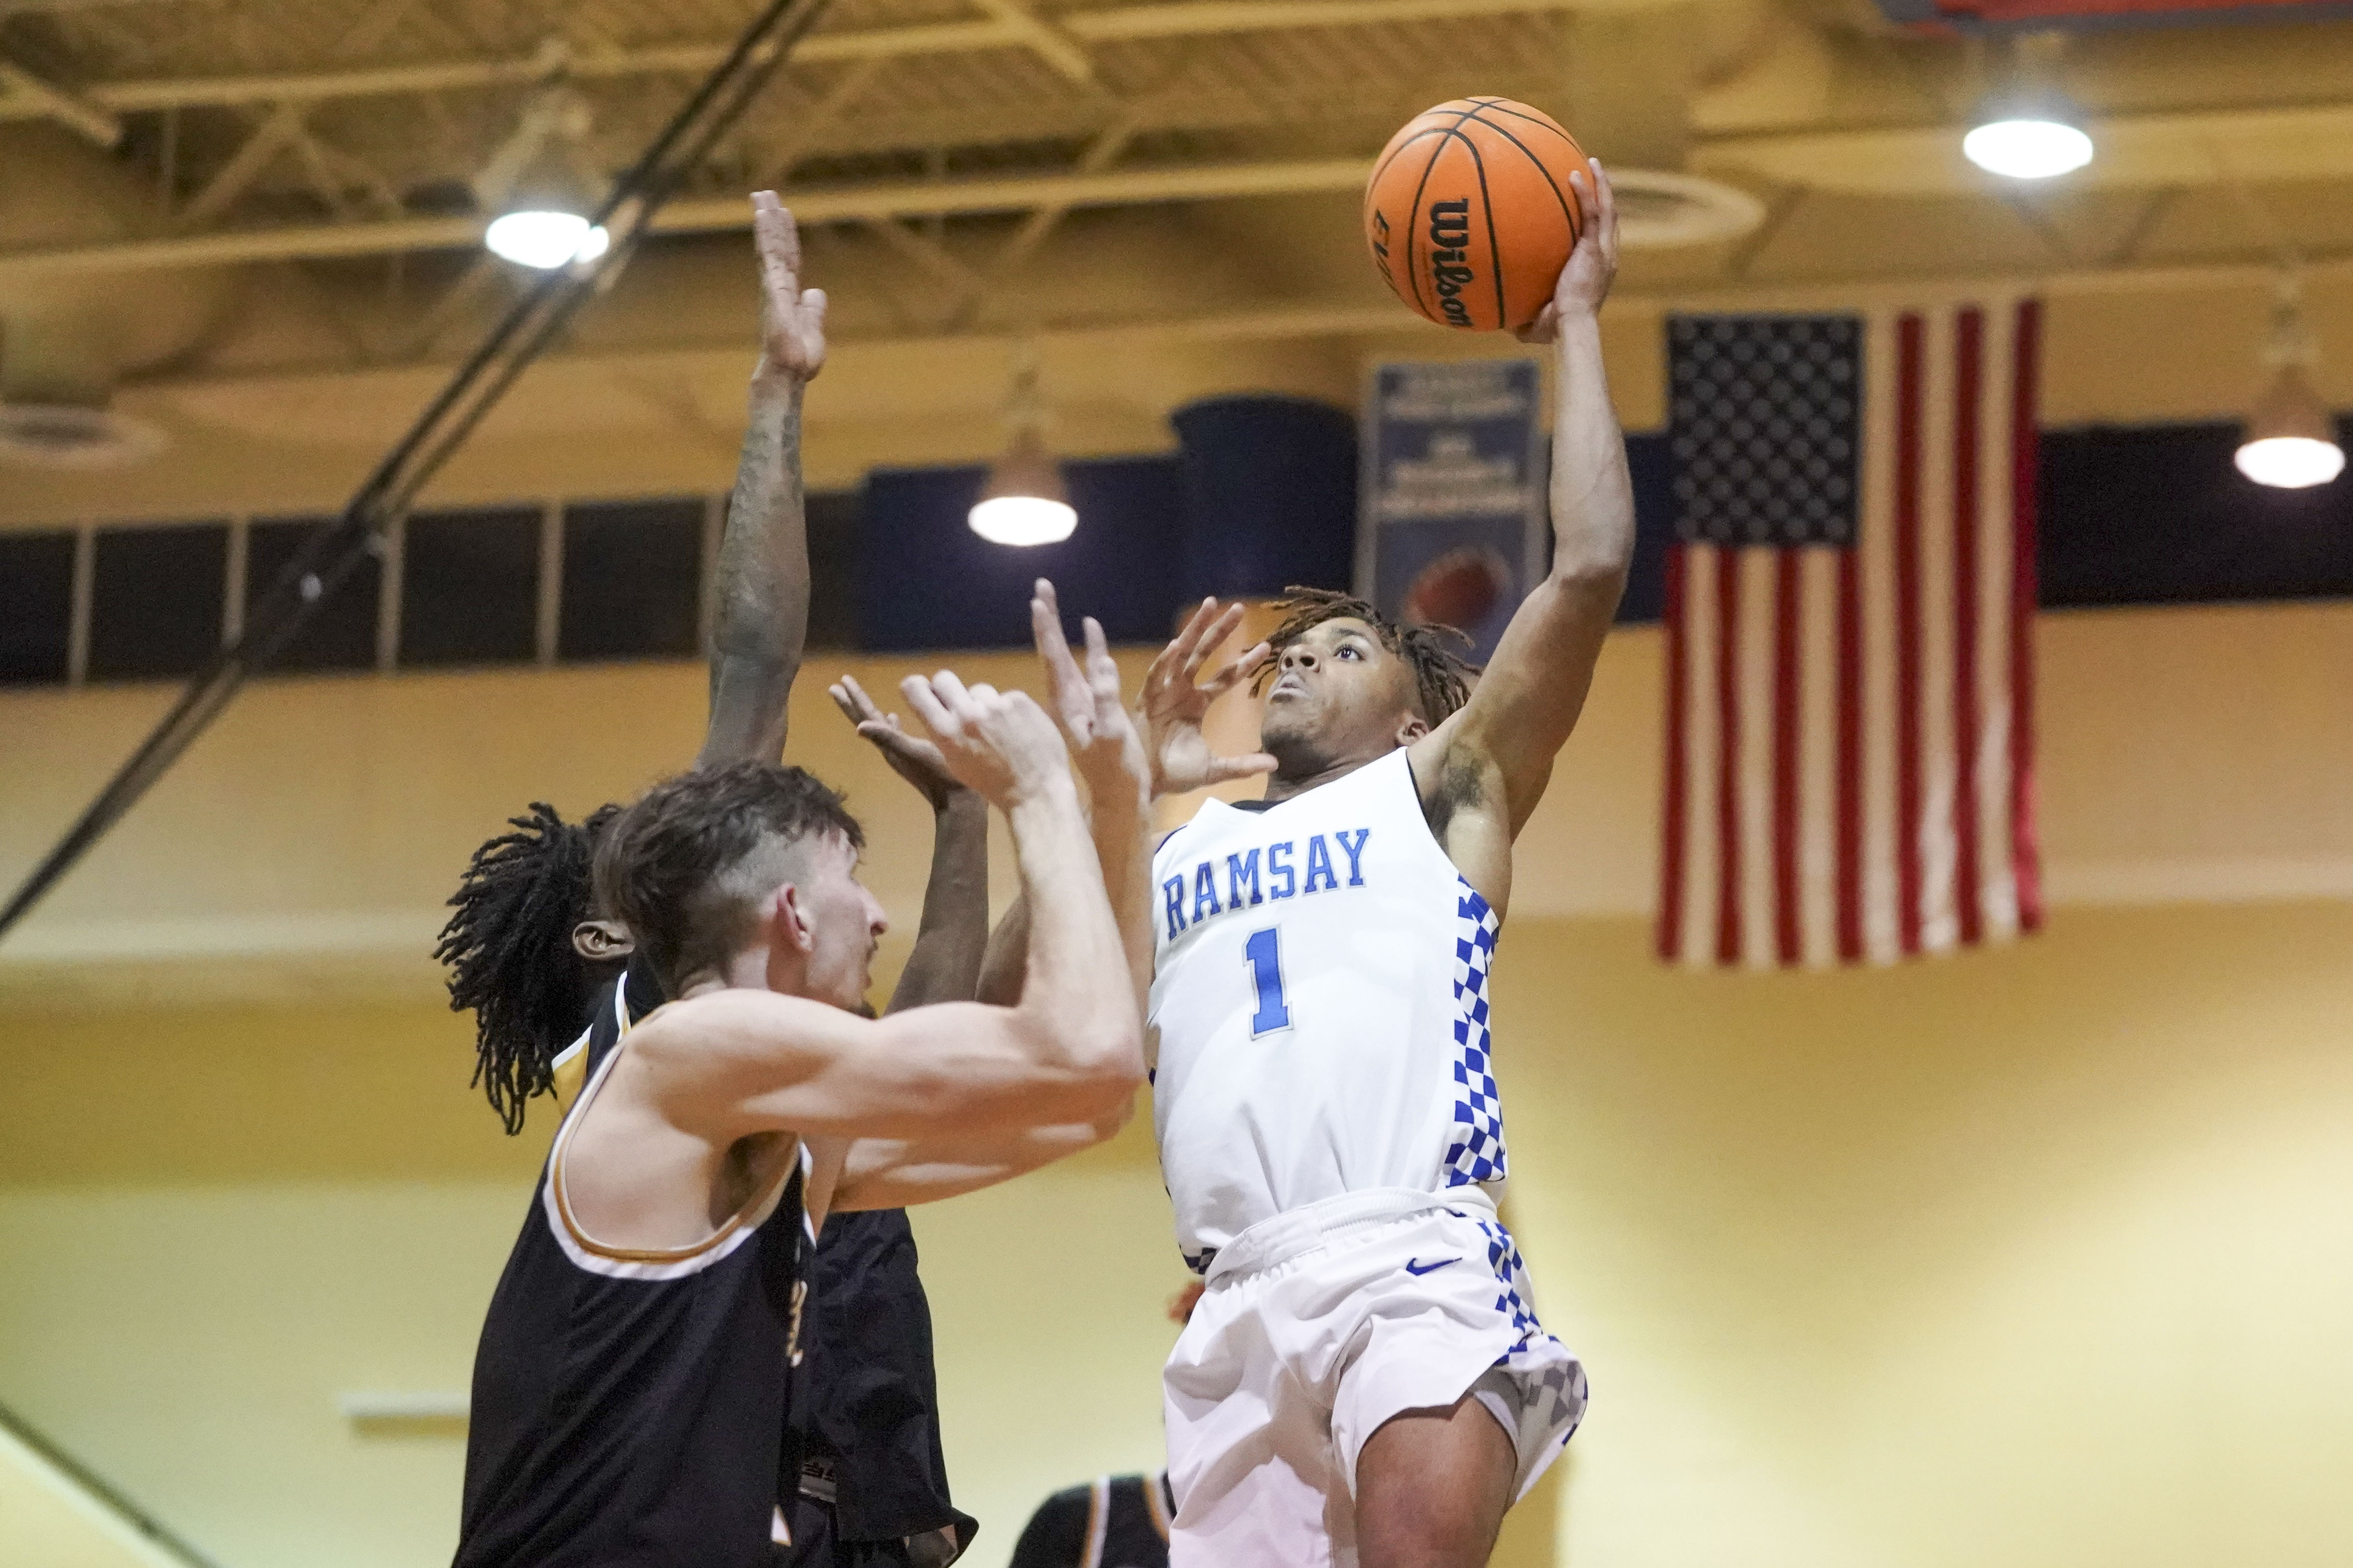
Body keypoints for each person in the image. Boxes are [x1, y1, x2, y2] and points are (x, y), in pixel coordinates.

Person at [435, 193, 980, 1566]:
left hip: (824, 1458)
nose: (696, 804)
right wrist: (776, 396)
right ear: (617, 927)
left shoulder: (773, 1015)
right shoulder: (663, 1025)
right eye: (654, 833)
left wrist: (968, 819)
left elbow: (933, 1043)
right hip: (726, 1472)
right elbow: (752, 668)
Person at [1137, 161, 1631, 1566]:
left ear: (1411, 715)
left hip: (1405, 1250)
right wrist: (1108, 797)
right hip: (1234, 1288)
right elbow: (1005, 1010)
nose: (1299, 654)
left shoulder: (1440, 792)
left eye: (1342, 647)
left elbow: (1587, 563)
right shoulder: (1178, 842)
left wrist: (1578, 320)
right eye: (1290, 646)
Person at [453, 658, 1147, 1568]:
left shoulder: (778, 1136)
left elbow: (1096, 1097)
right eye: (853, 880)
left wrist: (1123, 804)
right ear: (793, 914)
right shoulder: (688, 1051)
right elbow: (1084, 1054)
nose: (879, 915)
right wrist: (1042, 790)